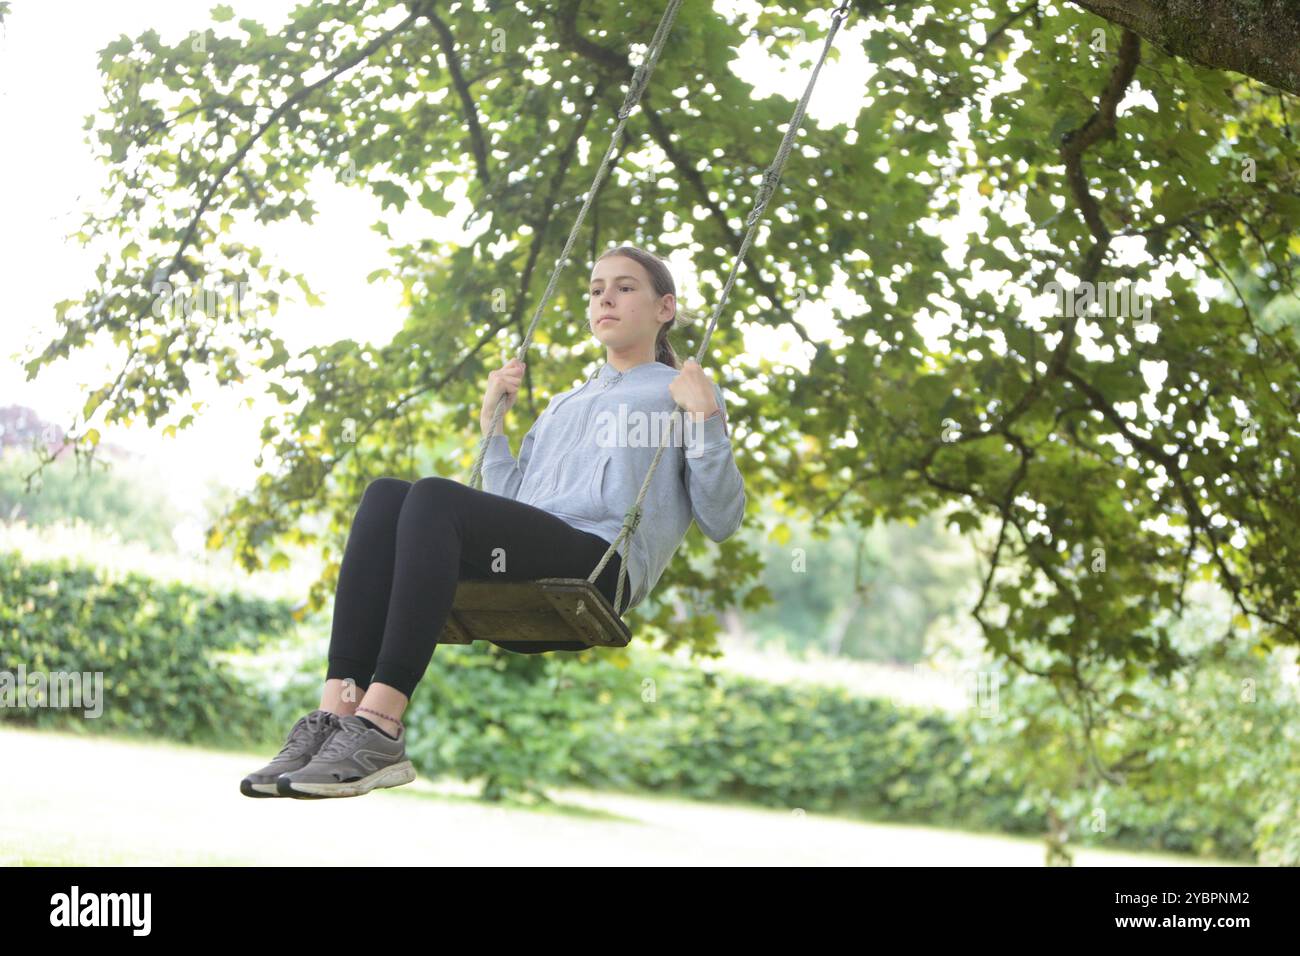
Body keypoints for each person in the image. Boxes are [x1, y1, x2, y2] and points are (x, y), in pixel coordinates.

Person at [241, 244, 746, 799]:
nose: (606, 297)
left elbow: (721, 519)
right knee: (386, 495)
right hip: (535, 561)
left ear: (664, 308)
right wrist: (493, 429)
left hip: (599, 567)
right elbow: (512, 506)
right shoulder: (563, 404)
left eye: (625, 287)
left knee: (432, 495)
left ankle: (380, 725)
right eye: (597, 288)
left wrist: (707, 419)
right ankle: (335, 715)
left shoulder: (680, 394)